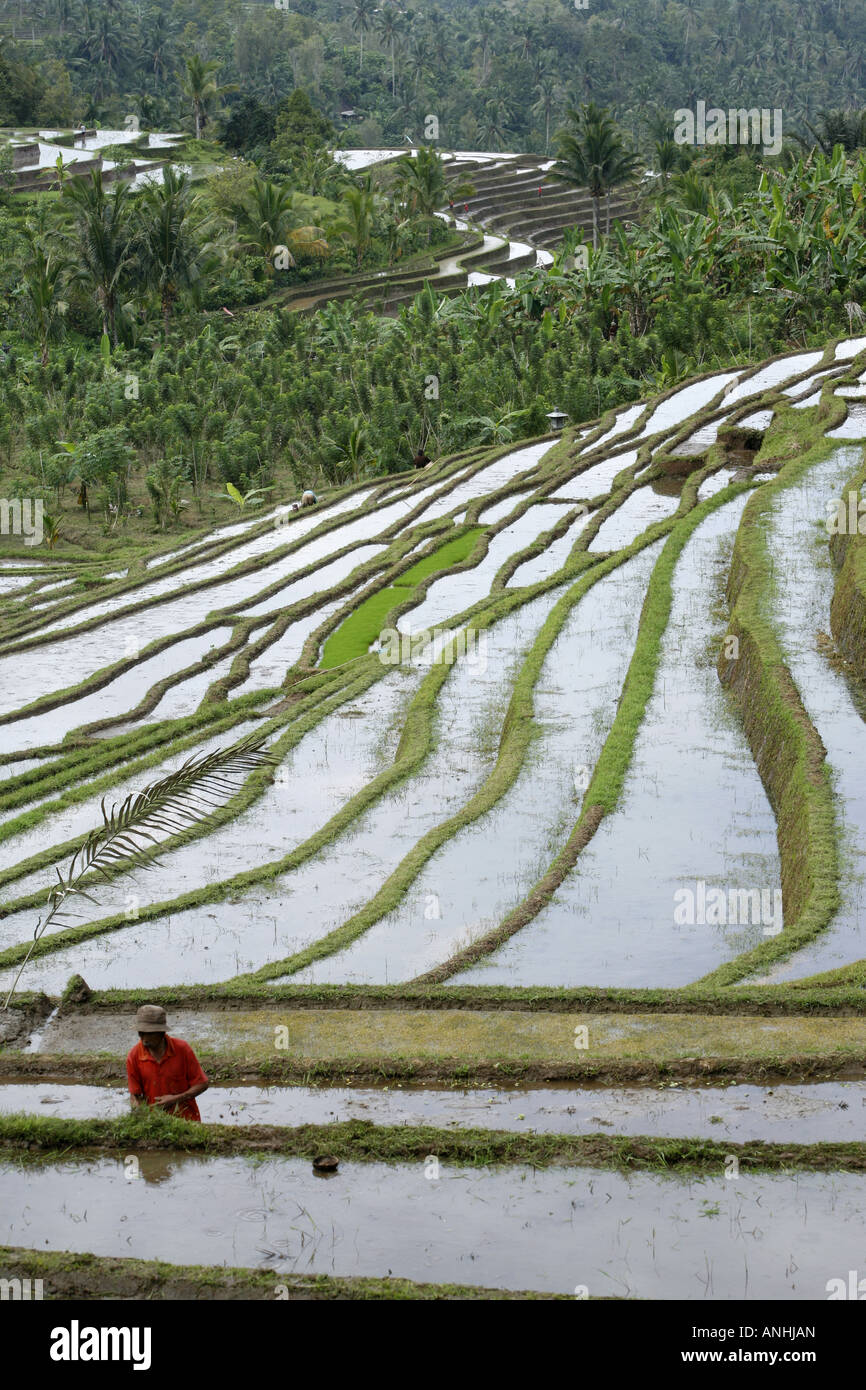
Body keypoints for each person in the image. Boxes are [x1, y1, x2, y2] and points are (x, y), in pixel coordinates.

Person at [127, 1004, 209, 1122]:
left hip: (187, 1122)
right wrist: (139, 1114)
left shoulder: (182, 1049)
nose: (144, 1038)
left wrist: (175, 1099)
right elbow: (135, 1095)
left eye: (149, 1033)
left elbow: (202, 1084)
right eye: (141, 1033)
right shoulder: (134, 1055)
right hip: (154, 1124)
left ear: (161, 1033)